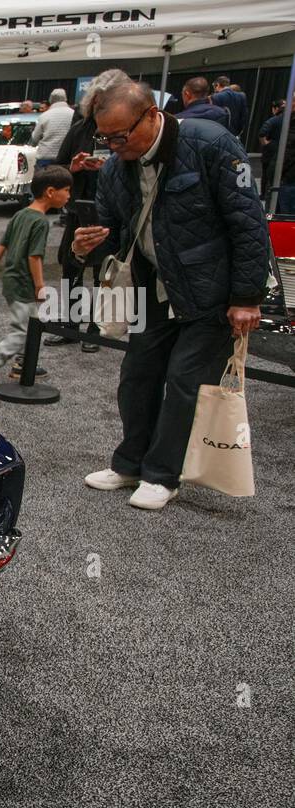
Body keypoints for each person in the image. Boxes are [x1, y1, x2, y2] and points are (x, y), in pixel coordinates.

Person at [71, 81, 267, 511]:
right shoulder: (113, 169)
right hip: (151, 289)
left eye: (121, 135)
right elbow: (115, 236)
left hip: (209, 292)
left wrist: (247, 297)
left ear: (152, 115)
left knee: (184, 383)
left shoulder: (211, 144)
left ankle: (163, 474)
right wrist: (87, 244)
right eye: (105, 137)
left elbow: (248, 224)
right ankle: (130, 463)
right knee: (137, 377)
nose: (113, 145)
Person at [46, 67, 131, 353]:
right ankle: (70, 327)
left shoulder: (125, 131)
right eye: (95, 101)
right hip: (80, 206)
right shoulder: (79, 129)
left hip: (112, 209)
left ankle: (96, 330)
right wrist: (74, 167)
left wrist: (112, 166)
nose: (98, 106)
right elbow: (56, 168)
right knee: (71, 266)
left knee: (103, 272)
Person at [0, 166, 73, 388]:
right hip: (24, 283)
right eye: (66, 190)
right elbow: (34, 257)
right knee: (23, 330)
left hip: (11, 279)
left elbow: (2, 244)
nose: (69, 195)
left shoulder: (20, 214)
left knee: (32, 324)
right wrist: (40, 286)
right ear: (50, 192)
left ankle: (23, 365)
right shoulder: (40, 222)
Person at [30, 89, 75, 168]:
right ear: (65, 99)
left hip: (46, 160)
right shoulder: (74, 114)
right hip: (67, 160)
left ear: (50, 100)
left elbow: (34, 140)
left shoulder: (44, 116)